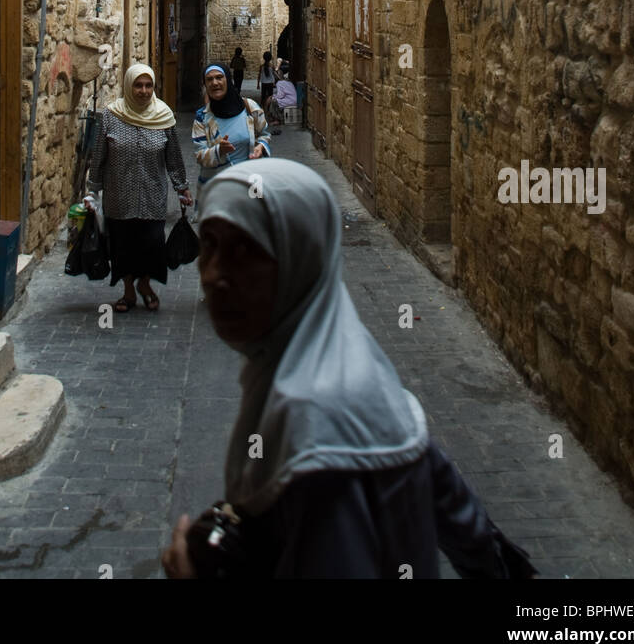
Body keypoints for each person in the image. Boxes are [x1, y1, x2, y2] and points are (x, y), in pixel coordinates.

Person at [161, 160, 537, 579]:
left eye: (245, 251)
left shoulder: (316, 429)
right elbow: (465, 525)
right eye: (209, 244)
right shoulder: (362, 370)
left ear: (301, 259)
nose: (214, 276)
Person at [88, 63, 192, 314]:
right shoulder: (113, 115)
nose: (144, 91)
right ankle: (128, 291)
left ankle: (145, 285)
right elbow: (99, 155)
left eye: (148, 85)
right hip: (118, 196)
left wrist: (182, 187)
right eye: (138, 85)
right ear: (128, 85)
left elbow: (174, 157)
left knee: (151, 243)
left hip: (152, 195)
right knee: (122, 245)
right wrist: (93, 190)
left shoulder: (164, 116)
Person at [192, 64, 270, 199]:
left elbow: (264, 134)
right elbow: (200, 155)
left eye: (219, 77)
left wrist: (261, 146)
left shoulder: (249, 108)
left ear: (228, 79)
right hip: (218, 189)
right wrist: (219, 151)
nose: (215, 83)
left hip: (250, 184)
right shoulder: (202, 118)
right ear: (205, 84)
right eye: (209, 79)